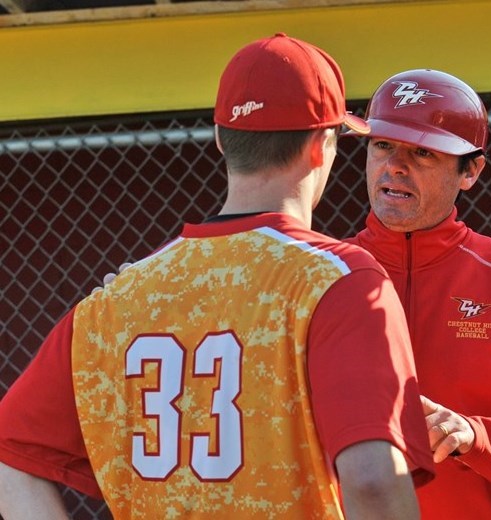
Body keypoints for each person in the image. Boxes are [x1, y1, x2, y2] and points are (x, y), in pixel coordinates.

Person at [0, 34, 435, 519]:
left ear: (222, 140)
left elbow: (10, 459)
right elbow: (373, 481)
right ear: (321, 146)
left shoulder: (116, 298)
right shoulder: (339, 279)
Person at [343, 68, 491, 518]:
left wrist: (475, 438)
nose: (395, 165)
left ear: (470, 170)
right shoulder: (321, 276)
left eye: (422, 152)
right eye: (382, 145)